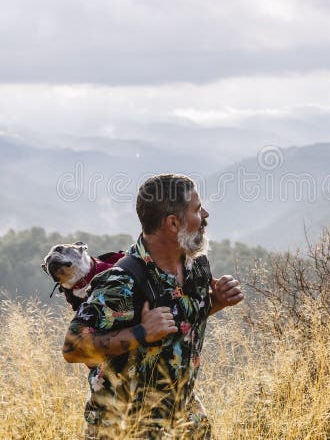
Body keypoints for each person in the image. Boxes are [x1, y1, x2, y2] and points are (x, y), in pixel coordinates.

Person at [62, 173, 244, 438]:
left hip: (184, 422)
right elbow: (72, 347)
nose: (205, 214)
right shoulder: (122, 281)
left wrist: (215, 301)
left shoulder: (196, 267)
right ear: (172, 223)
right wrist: (141, 333)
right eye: (196, 209)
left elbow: (179, 322)